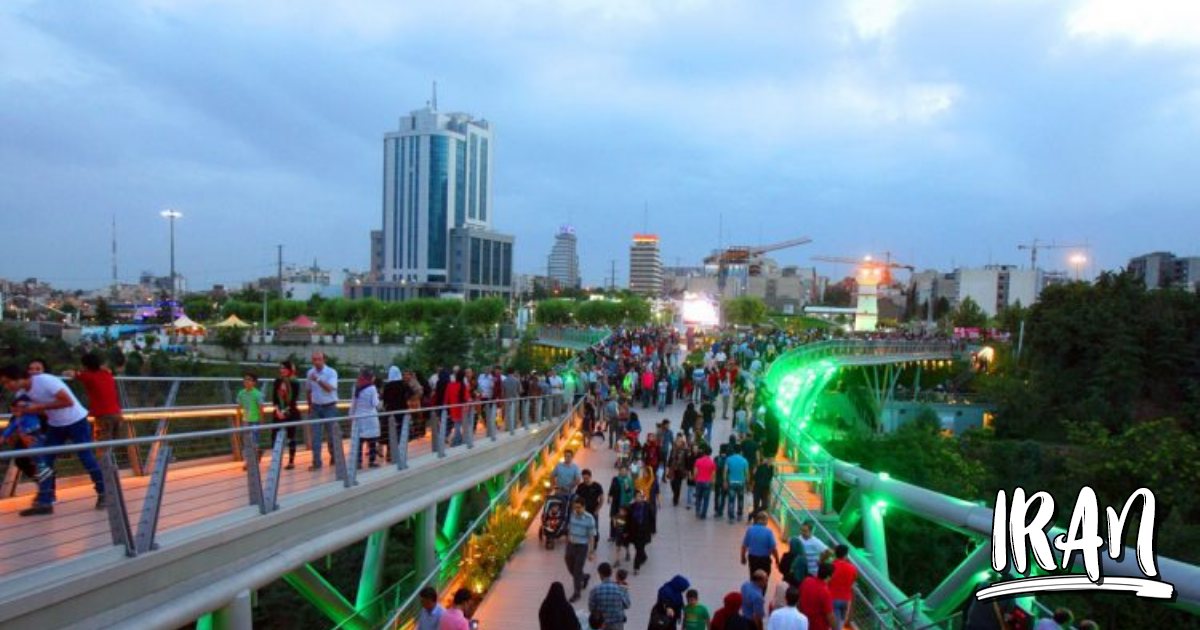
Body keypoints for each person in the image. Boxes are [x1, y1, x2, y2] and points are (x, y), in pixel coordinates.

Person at [2, 365, 106, 516]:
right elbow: (23, 414)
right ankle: (45, 501)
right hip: (55, 425)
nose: (6, 386)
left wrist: (38, 406)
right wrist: (24, 429)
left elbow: (68, 402)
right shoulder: (21, 393)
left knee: (86, 457)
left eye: (7, 382)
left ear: (18, 377)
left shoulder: (45, 381)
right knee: (45, 461)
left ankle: (104, 493)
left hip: (76, 420)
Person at [68, 351, 124, 449]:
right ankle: (108, 464)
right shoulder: (106, 373)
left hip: (103, 415)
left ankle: (104, 464)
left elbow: (71, 374)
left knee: (102, 445)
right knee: (110, 444)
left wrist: (68, 372)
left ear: (85, 365)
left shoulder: (88, 376)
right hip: (117, 413)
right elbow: (108, 370)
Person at [305, 351, 339, 471]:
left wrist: (318, 380)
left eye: (319, 359)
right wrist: (309, 406)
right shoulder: (310, 373)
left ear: (324, 359)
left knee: (331, 435)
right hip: (316, 407)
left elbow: (330, 389)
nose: (316, 362)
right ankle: (316, 462)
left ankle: (335, 457)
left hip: (329, 407)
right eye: (314, 359)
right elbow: (308, 390)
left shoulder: (331, 372)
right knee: (316, 436)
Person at [565, 498, 598, 602]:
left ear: (584, 507)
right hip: (571, 545)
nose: (577, 509)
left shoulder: (589, 518)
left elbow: (592, 536)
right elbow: (569, 529)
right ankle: (584, 577)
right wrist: (568, 541)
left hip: (582, 547)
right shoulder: (572, 515)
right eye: (575, 507)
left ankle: (577, 593)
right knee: (570, 567)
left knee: (577, 570)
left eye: (579, 507)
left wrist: (591, 552)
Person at [271, 360, 301, 469]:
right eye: (280, 368)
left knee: (291, 436)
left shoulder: (295, 382)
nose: (282, 370)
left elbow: (293, 400)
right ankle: (276, 460)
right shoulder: (277, 381)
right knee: (274, 436)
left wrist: (285, 411)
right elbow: (274, 398)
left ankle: (291, 461)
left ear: (289, 370)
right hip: (278, 412)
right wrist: (278, 410)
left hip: (291, 411)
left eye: (284, 368)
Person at [351, 368, 381, 468]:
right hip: (370, 417)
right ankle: (371, 462)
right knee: (372, 441)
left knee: (359, 441)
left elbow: (353, 403)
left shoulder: (356, 387)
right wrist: (378, 395)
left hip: (359, 417)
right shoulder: (372, 388)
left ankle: (358, 462)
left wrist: (351, 415)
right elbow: (375, 403)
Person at [588, 562, 630, 630]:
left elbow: (591, 609)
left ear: (600, 574)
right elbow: (627, 605)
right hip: (617, 624)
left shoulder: (594, 590)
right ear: (611, 573)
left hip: (601, 625)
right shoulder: (620, 588)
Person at [236, 372, 265, 466]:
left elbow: (261, 408)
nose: (246, 381)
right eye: (245, 379)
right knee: (246, 441)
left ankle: (253, 460)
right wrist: (238, 420)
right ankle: (249, 461)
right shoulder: (241, 393)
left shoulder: (257, 394)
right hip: (246, 420)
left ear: (254, 382)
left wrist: (261, 421)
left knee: (254, 441)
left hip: (255, 421)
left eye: (249, 379)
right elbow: (239, 407)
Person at [742, 512, 780, 582]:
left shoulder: (750, 530)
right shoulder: (768, 532)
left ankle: (753, 590)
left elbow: (744, 546)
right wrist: (777, 560)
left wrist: (743, 557)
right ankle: (761, 592)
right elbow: (773, 548)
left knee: (753, 578)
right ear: (765, 520)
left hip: (753, 559)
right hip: (764, 560)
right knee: (763, 579)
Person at [799, 563, 836, 630]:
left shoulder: (806, 581)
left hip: (803, 624)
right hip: (818, 627)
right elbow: (830, 615)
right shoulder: (825, 592)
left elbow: (799, 601)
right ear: (828, 577)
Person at [828, 545, 857, 629]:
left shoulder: (831, 566)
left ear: (835, 554)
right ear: (846, 555)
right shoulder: (852, 568)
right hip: (846, 599)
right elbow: (853, 581)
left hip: (832, 598)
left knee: (831, 624)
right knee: (840, 623)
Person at [627, 490, 654, 573]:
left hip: (644, 531)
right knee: (638, 547)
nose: (638, 498)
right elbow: (628, 520)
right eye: (637, 496)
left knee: (639, 549)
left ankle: (636, 567)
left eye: (640, 496)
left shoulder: (647, 506)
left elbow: (652, 518)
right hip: (634, 532)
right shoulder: (631, 507)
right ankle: (644, 556)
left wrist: (653, 530)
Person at [577, 469, 605, 546]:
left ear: (590, 477)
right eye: (583, 478)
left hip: (593, 510)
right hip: (583, 511)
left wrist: (597, 509)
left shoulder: (597, 486)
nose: (585, 480)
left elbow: (602, 498)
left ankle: (595, 542)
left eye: (586, 478)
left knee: (594, 527)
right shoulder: (580, 486)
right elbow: (577, 498)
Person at [608, 465, 635, 539]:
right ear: (619, 471)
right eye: (621, 471)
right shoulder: (615, 479)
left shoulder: (629, 480)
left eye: (624, 471)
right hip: (615, 501)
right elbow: (612, 488)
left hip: (623, 503)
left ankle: (621, 535)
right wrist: (609, 496)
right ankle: (612, 535)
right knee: (613, 517)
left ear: (627, 472)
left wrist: (627, 489)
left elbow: (631, 492)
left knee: (622, 519)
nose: (623, 472)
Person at [724, 448, 749, 524]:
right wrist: (747, 482)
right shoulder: (744, 460)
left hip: (731, 482)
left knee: (731, 500)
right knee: (740, 499)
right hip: (741, 483)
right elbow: (746, 473)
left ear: (734, 451)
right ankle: (739, 515)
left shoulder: (728, 459)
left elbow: (725, 471)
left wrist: (725, 481)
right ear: (741, 452)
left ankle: (731, 517)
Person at [692, 446, 716, 519]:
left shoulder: (698, 461)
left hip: (699, 481)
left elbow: (695, 472)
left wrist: (695, 478)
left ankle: (697, 512)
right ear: (710, 453)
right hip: (707, 482)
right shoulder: (712, 463)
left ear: (704, 452)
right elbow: (713, 475)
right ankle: (703, 514)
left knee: (698, 498)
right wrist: (712, 484)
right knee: (706, 499)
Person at [666, 436, 690, 507]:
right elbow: (670, 459)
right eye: (677, 441)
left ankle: (675, 499)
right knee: (672, 483)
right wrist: (667, 467)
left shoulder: (685, 450)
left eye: (679, 441)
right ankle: (675, 494)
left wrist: (687, 470)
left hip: (680, 470)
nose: (678, 442)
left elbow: (687, 461)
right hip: (673, 469)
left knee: (678, 485)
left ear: (682, 442)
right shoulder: (673, 450)